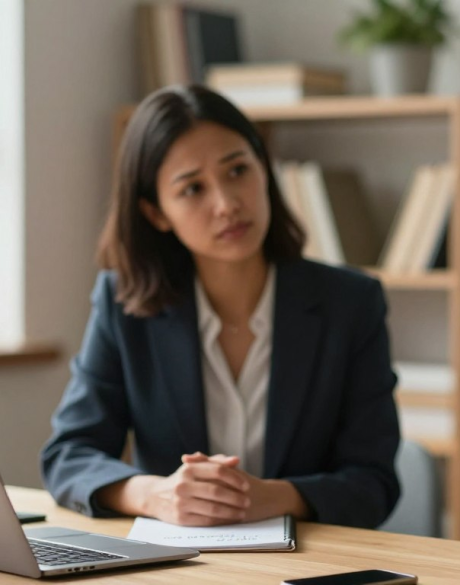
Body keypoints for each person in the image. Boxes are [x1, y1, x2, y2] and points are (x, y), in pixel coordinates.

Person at [41, 85, 400, 530]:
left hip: (313, 565)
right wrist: (156, 495)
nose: (227, 204)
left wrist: (275, 497)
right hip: (179, 569)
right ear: (156, 213)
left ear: (263, 169)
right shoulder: (123, 306)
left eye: (237, 171)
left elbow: (374, 483)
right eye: (193, 188)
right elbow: (69, 455)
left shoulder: (351, 303)